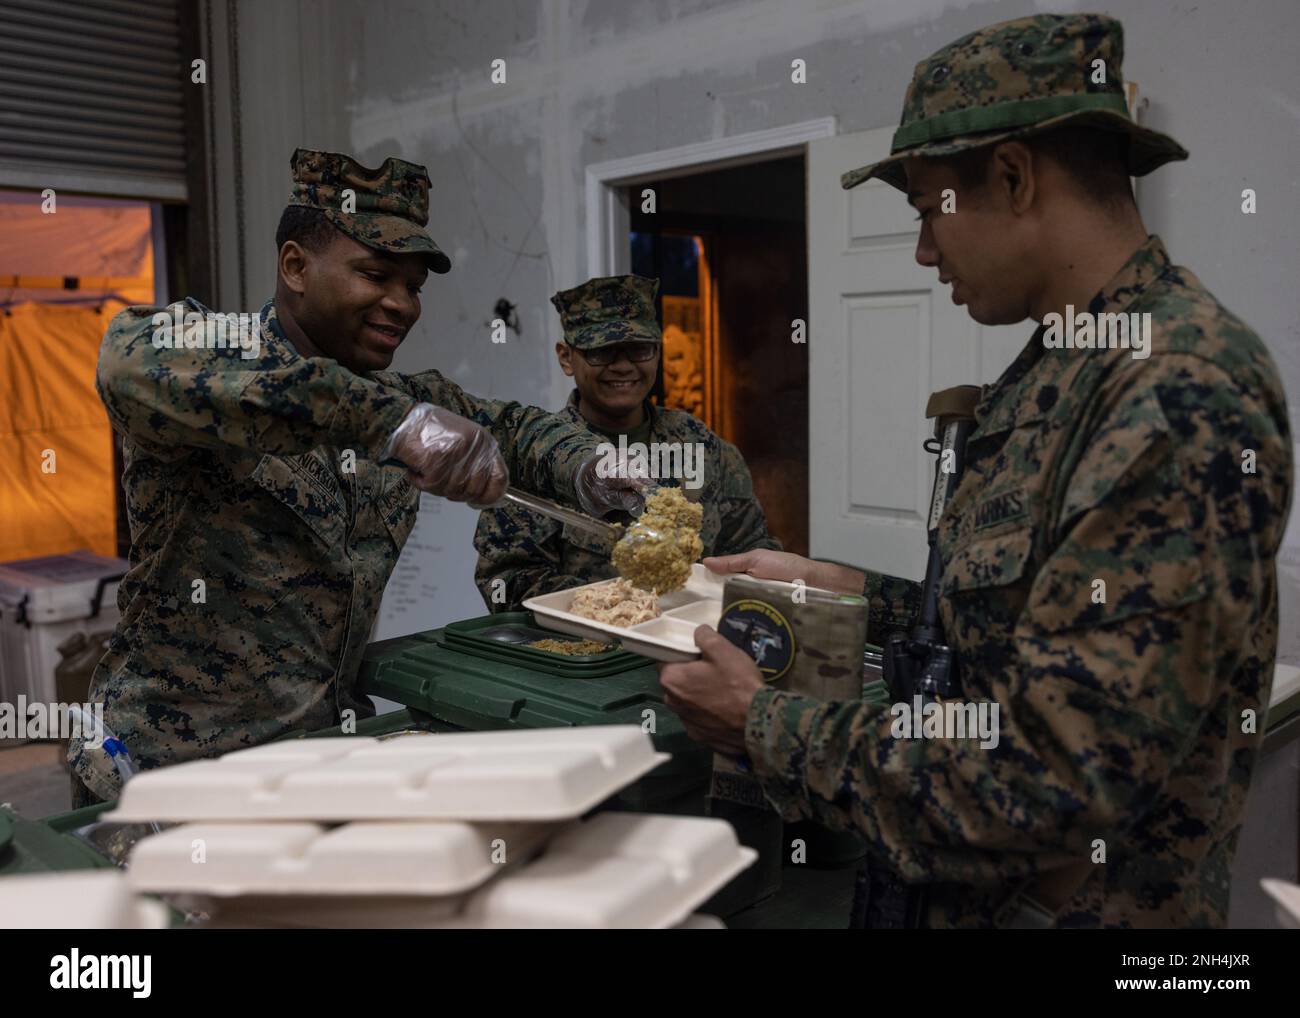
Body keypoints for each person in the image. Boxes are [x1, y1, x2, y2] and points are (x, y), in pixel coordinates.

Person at [657, 13, 1293, 928]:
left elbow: (1056, 778)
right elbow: (1021, 623)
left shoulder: (1176, 388)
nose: (922, 251)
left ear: (1012, 176)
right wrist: (842, 590)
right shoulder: (1070, 362)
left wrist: (763, 725)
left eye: (927, 211)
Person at [67, 149, 639, 805]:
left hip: (314, 765)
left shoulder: (403, 397)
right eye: (375, 274)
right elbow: (125, 361)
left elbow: (512, 427)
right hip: (170, 777)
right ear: (295, 266)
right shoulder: (217, 372)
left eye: (415, 287)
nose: (401, 304)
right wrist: (394, 426)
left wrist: (587, 464)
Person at [473, 274, 780, 611]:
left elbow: (753, 550)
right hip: (585, 654)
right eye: (601, 351)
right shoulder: (534, 455)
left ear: (658, 351)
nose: (622, 366)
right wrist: (618, 607)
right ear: (566, 357)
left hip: (688, 644)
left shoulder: (702, 445)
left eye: (638, 349)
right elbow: (505, 580)